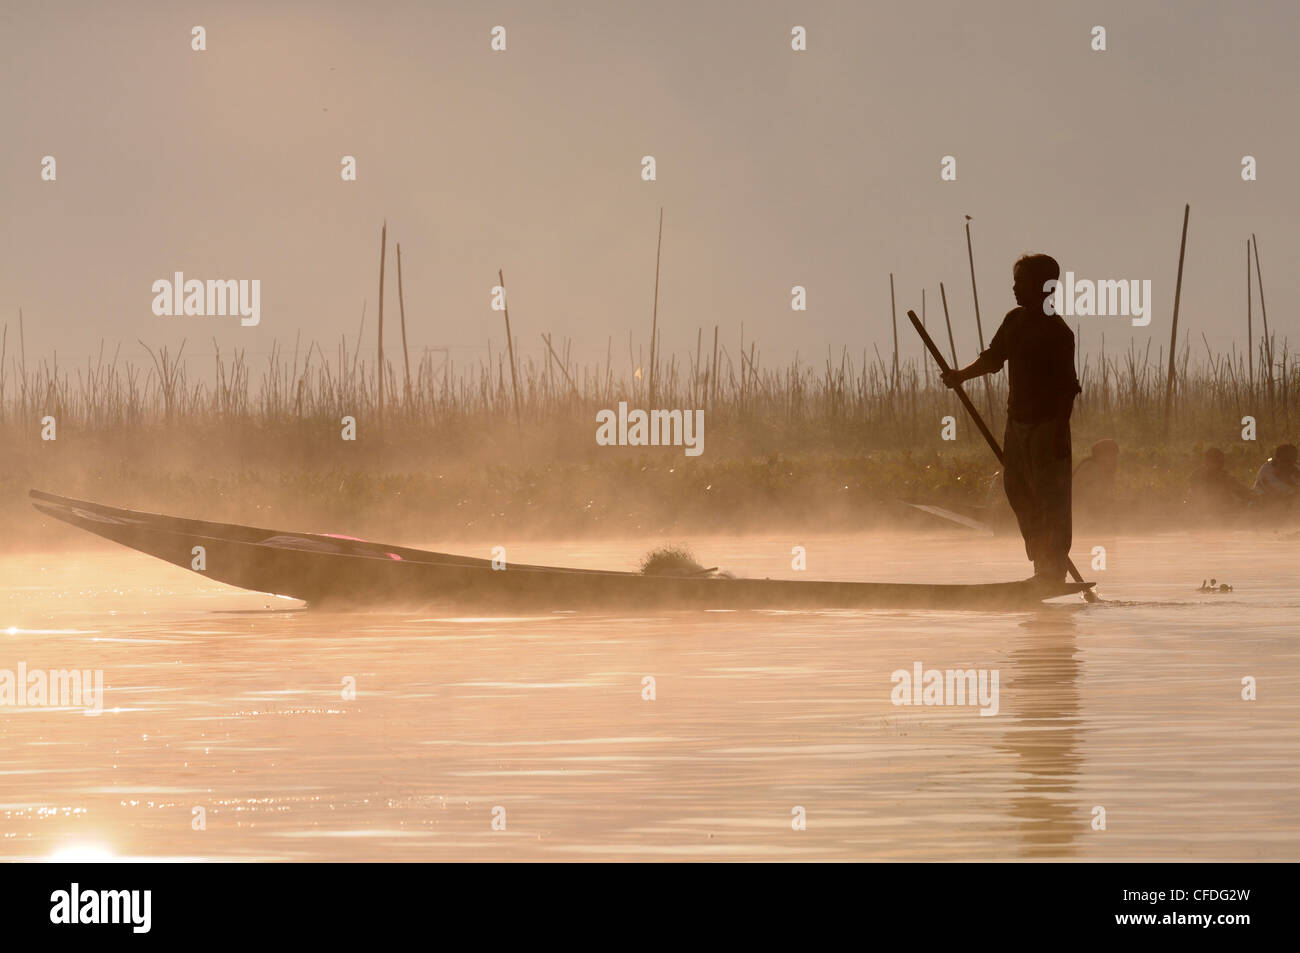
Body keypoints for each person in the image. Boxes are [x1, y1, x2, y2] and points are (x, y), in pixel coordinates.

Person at [942, 253, 1081, 583]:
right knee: (1018, 490)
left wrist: (1059, 432)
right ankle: (1040, 563)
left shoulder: (1058, 332)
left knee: (1050, 496)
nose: (1015, 288)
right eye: (1015, 281)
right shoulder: (1014, 322)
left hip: (1048, 426)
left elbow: (1067, 388)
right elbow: (993, 359)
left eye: (1021, 282)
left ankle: (1053, 568)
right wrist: (960, 376)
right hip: (1016, 423)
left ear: (1045, 287)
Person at [1189, 447, 1253, 512]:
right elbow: (1241, 491)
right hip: (1217, 513)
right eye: (1217, 461)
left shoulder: (1196, 475)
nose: (1221, 465)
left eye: (1221, 462)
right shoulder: (1223, 476)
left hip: (1201, 512)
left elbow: (1241, 490)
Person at [1073, 439, 1119, 519]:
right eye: (1112, 454)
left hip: (1094, 508)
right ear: (1102, 454)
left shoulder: (1104, 468)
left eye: (1114, 455)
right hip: (1083, 509)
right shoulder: (1091, 467)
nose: (1114, 458)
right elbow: (1082, 490)